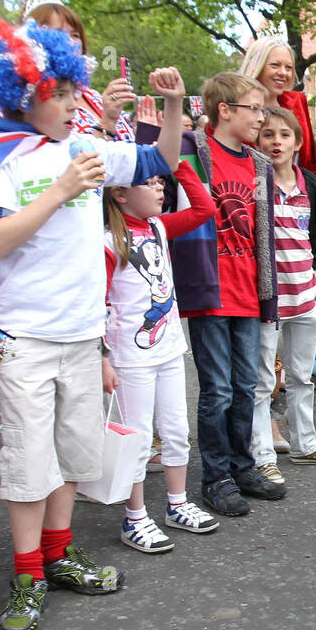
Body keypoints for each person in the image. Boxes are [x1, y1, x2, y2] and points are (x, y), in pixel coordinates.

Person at [0, 19, 186, 630]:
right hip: (26, 340)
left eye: (71, 92)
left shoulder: (85, 149)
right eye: (56, 93)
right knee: (28, 461)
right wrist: (60, 191)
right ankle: (27, 575)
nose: (69, 104)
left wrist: (171, 106)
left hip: (85, 338)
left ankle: (57, 558)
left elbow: (160, 159)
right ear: (22, 94)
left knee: (71, 455)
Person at [102, 166, 220, 553]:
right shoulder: (106, 241)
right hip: (130, 356)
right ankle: (134, 517)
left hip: (169, 347)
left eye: (159, 182)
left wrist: (179, 167)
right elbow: (97, 303)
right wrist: (101, 357)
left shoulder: (157, 226)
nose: (159, 188)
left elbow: (204, 209)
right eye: (149, 183)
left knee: (175, 429)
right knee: (136, 437)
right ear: (119, 193)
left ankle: (177, 504)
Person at [182, 71, 284, 517]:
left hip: (246, 290)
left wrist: (269, 295)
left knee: (247, 385)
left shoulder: (259, 164)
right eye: (255, 109)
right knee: (217, 389)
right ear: (225, 110)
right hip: (209, 289)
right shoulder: (193, 150)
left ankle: (243, 466)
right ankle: (215, 476)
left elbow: (265, 235)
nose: (261, 118)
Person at [247, 105, 316, 481]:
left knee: (302, 377)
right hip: (268, 298)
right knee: (262, 381)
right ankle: (262, 454)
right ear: (258, 141)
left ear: (297, 143)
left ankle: (305, 444)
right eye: (267, 134)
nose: (275, 142)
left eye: (284, 135)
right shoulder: (255, 183)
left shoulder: (311, 185)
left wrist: (309, 267)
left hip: (303, 295)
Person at [23, 0, 136, 142]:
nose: (71, 42)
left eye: (75, 35)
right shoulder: (26, 103)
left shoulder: (93, 96)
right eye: (58, 33)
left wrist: (150, 129)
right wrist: (107, 123)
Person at [239, 37, 316, 175]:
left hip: (298, 191)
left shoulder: (297, 101)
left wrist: (314, 191)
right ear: (256, 66)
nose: (283, 73)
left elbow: (309, 160)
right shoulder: (237, 108)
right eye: (275, 65)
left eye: (288, 67)